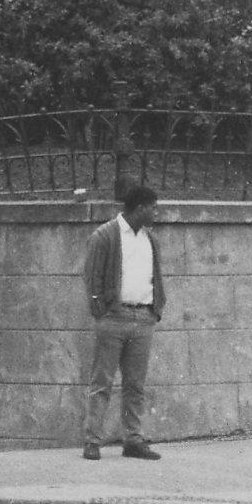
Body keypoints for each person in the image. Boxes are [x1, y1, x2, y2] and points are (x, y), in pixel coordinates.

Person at [81, 183, 165, 461]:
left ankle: (133, 440)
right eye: (153, 208)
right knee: (102, 382)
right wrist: (101, 311)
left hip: (143, 317)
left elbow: (155, 276)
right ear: (140, 208)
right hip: (114, 317)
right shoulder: (105, 235)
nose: (156, 213)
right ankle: (92, 440)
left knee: (135, 384)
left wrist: (155, 310)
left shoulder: (150, 238)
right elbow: (92, 275)